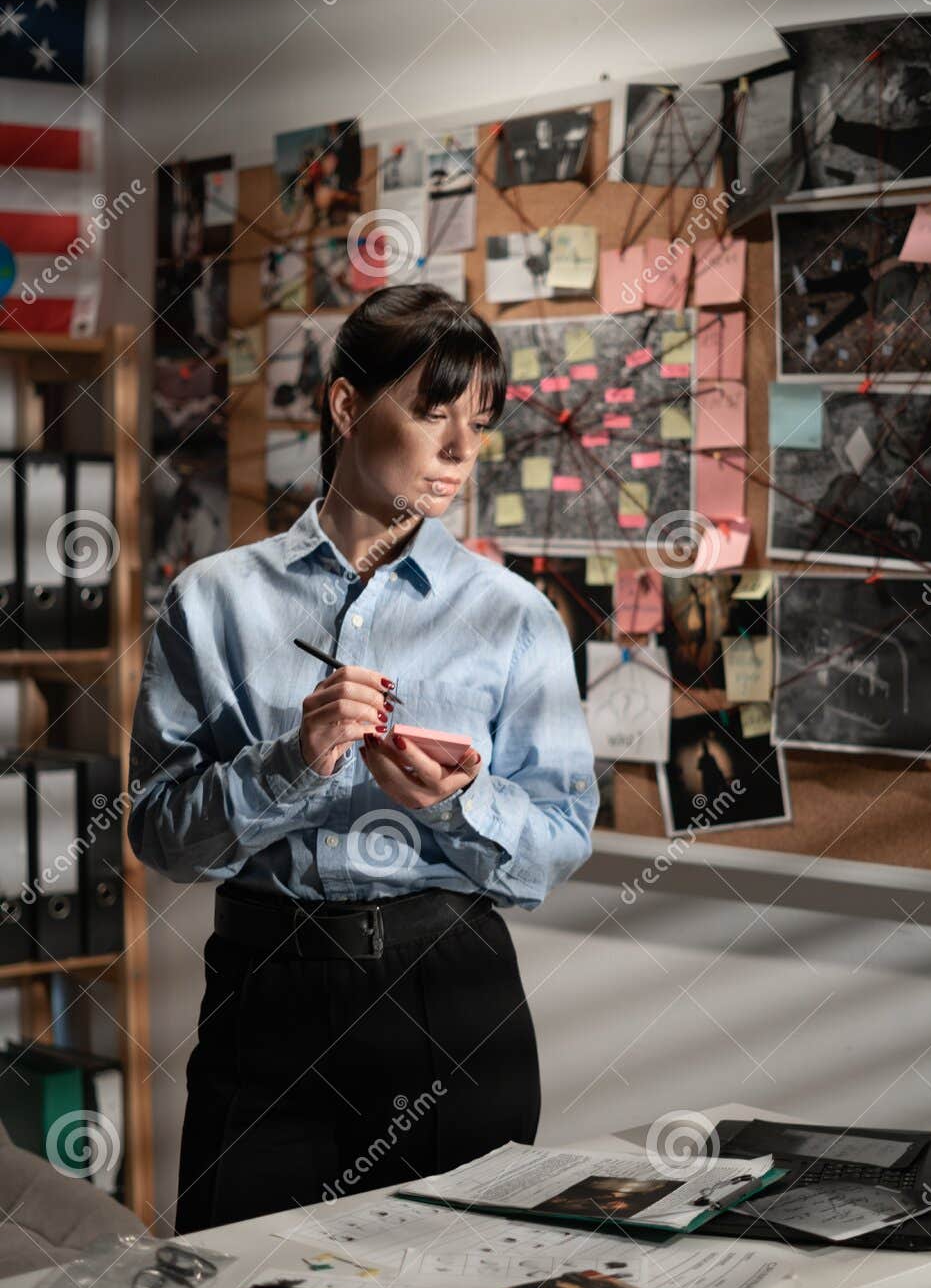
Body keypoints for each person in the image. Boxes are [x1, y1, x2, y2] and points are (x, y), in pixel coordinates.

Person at [128, 285, 599, 1234]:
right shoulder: (212, 602)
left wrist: (458, 803)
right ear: (346, 406)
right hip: (265, 996)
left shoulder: (514, 615)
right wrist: (290, 763)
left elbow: (557, 844)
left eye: (478, 423)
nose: (460, 450)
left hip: (451, 995)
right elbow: (159, 837)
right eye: (432, 413)